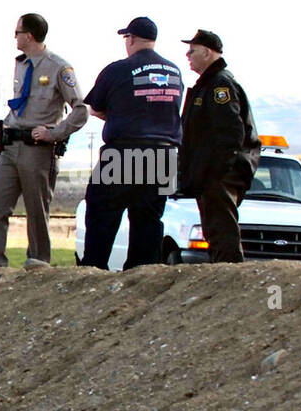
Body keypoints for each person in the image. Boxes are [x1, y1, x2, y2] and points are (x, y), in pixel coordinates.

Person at [79, 17, 184, 269]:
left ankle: (93, 272)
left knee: (102, 213)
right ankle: (142, 275)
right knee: (148, 219)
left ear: (131, 38)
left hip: (124, 151)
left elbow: (96, 107)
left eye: (126, 38)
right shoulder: (175, 71)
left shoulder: (117, 69)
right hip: (164, 154)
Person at [0, 13, 88, 268]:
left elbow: (81, 110)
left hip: (38, 150)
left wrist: (54, 133)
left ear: (29, 35)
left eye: (17, 33)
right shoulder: (21, 65)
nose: (15, 38)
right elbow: (23, 104)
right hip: (10, 147)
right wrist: (5, 124)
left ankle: (38, 264)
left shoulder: (59, 68)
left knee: (36, 212)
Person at [177, 30, 262, 263]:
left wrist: (215, 171)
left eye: (192, 50)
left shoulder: (219, 85)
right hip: (210, 174)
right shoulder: (209, 84)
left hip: (219, 175)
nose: (187, 54)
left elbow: (231, 133)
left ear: (207, 52)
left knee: (222, 232)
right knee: (215, 231)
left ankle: (230, 280)